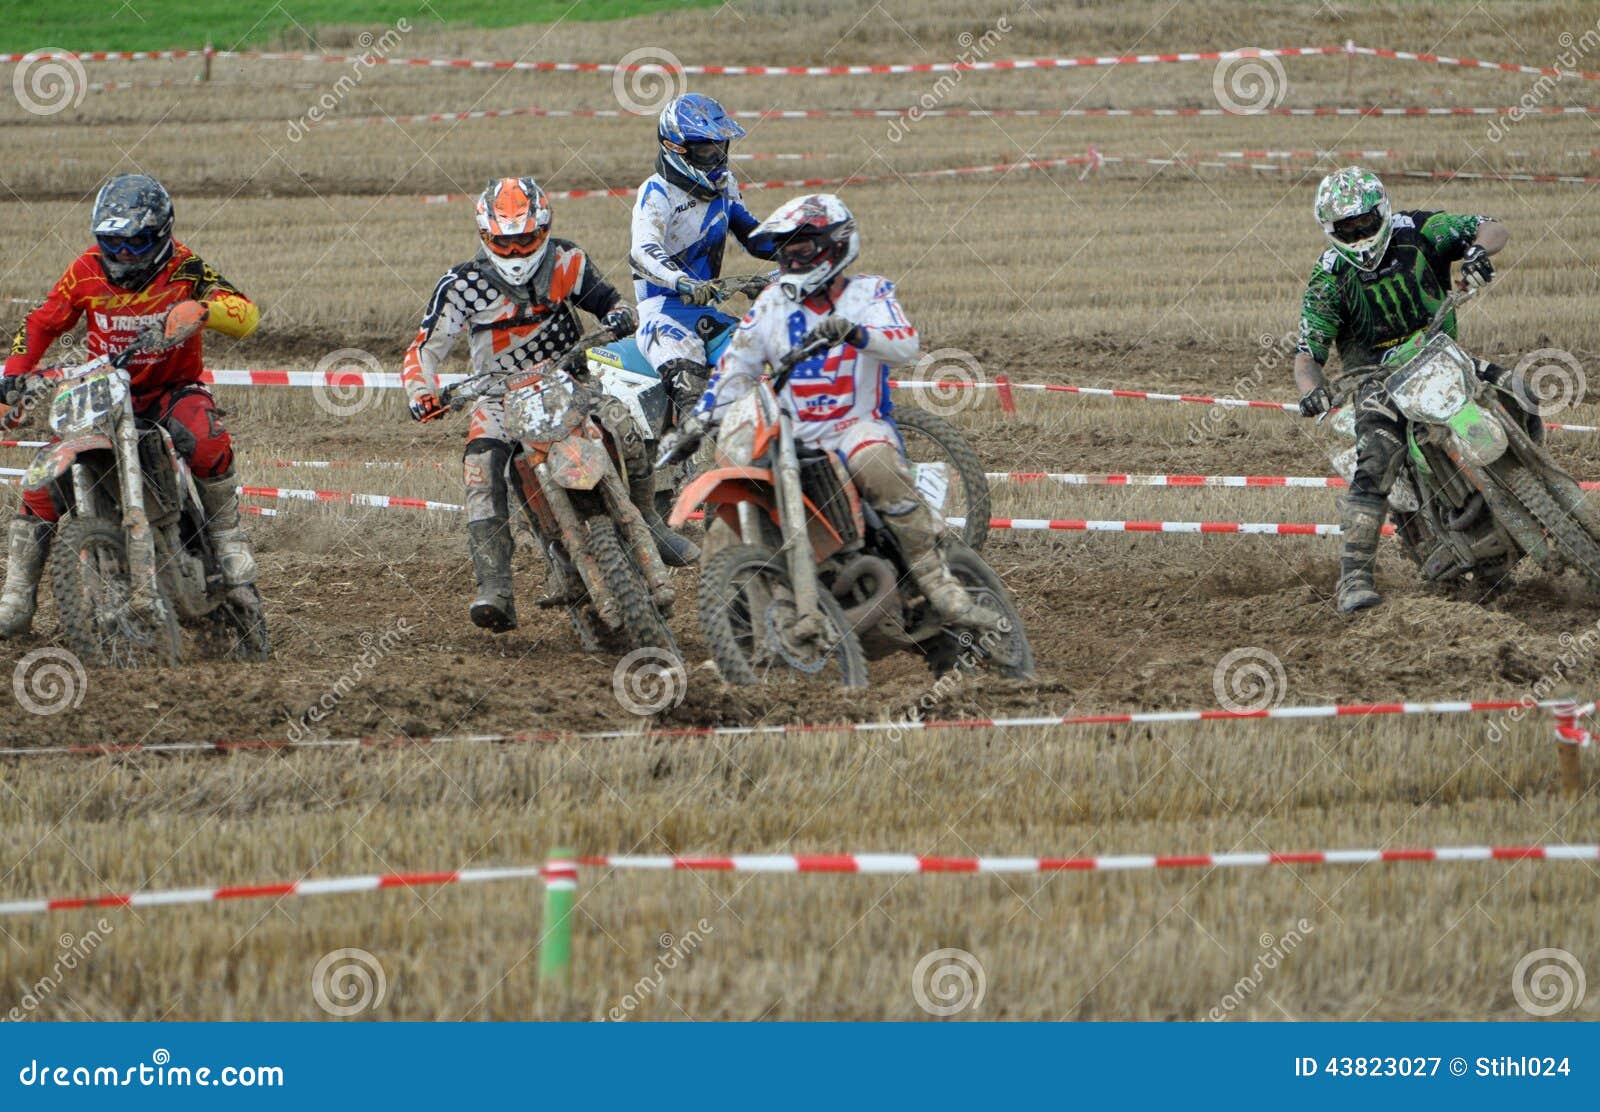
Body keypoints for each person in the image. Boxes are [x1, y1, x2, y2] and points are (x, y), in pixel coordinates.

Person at [664, 193, 1000, 629]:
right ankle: (737, 635)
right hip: (791, 437)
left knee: (873, 460)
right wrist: (695, 423)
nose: (792, 255)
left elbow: (905, 344)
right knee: (727, 526)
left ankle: (938, 581)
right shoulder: (770, 304)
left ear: (834, 244)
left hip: (855, 427)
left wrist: (856, 333)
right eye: (785, 248)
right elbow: (734, 370)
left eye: (802, 246)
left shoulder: (869, 293)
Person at [0, 173, 260, 637]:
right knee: (41, 481)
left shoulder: (184, 267)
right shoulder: (84, 270)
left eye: (134, 243)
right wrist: (14, 376)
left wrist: (203, 311)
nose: (121, 254)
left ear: (159, 236)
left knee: (205, 438)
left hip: (168, 390)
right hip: (102, 391)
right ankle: (16, 599)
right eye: (111, 243)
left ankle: (227, 537)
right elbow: (42, 322)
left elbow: (246, 314)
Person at [401, 176, 658, 633]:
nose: (518, 251)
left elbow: (609, 301)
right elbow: (425, 348)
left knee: (625, 424)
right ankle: (495, 585)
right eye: (506, 242)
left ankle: (652, 522)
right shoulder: (461, 284)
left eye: (526, 240)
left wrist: (620, 314)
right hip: (499, 396)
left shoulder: (567, 259)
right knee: (480, 469)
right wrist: (422, 392)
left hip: (570, 381)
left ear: (543, 229)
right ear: (487, 237)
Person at [1293, 166, 1509, 614]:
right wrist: (1313, 390)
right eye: (1345, 228)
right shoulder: (1329, 276)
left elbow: (1490, 225)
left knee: (1517, 389)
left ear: (1382, 212)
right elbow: (1306, 353)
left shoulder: (1420, 230)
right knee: (1375, 458)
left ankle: (1537, 488)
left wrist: (1477, 253)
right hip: (1376, 381)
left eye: (1363, 223)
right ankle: (1354, 577)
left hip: (1441, 354)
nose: (1357, 233)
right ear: (1331, 231)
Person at [629, 93, 779, 428]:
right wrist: (682, 281)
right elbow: (643, 250)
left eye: (719, 147)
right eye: (705, 149)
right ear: (677, 148)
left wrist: (802, 250)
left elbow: (754, 236)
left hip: (706, 312)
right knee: (691, 392)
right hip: (663, 314)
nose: (715, 156)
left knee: (762, 365)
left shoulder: (725, 187)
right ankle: (691, 473)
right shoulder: (657, 193)